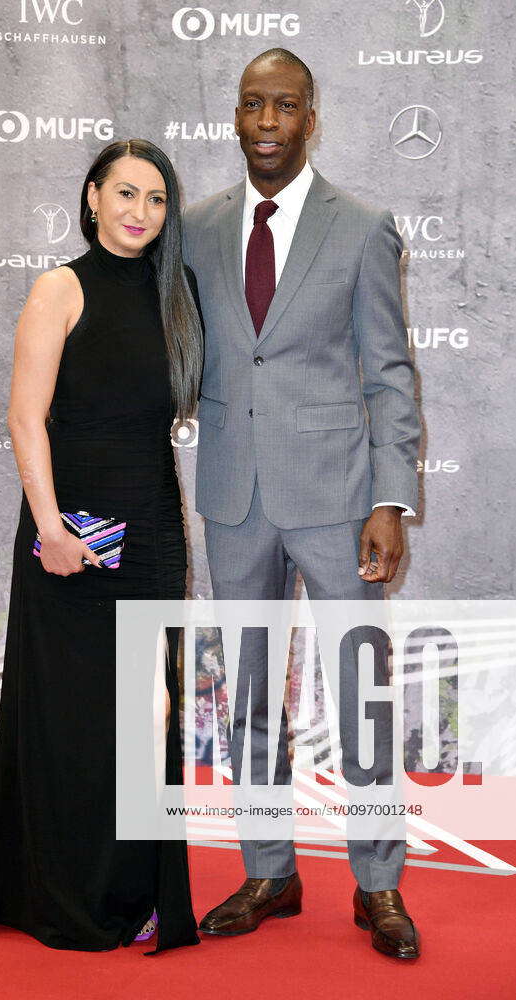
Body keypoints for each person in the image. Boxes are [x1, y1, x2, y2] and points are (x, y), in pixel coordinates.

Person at [182, 49, 421, 959]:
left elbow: (389, 376)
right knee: (246, 695)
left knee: (360, 693)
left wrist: (390, 499)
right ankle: (269, 869)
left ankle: (378, 884)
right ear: (236, 118)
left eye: (286, 106)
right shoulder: (197, 230)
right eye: (253, 105)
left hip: (337, 499)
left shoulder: (359, 227)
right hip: (233, 499)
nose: (269, 121)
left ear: (309, 118)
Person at [0, 139, 203, 954]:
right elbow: (25, 417)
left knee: (144, 716)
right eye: (126, 194)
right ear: (93, 197)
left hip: (154, 531)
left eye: (157, 199)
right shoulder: (58, 287)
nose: (141, 212)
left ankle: (134, 889)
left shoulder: (177, 298)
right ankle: (60, 893)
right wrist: (53, 526)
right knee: (71, 719)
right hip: (70, 536)